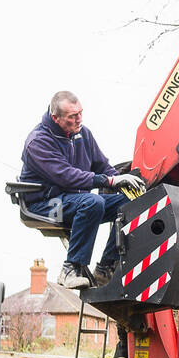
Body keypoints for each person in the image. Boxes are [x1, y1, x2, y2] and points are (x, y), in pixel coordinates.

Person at [19, 90, 142, 288]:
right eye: (72, 117)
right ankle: (70, 270)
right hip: (44, 204)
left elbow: (102, 166)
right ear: (55, 118)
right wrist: (109, 182)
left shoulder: (82, 134)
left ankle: (106, 268)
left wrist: (122, 181)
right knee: (93, 202)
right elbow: (67, 177)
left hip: (76, 202)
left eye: (80, 113)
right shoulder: (38, 142)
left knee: (133, 202)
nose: (79, 120)